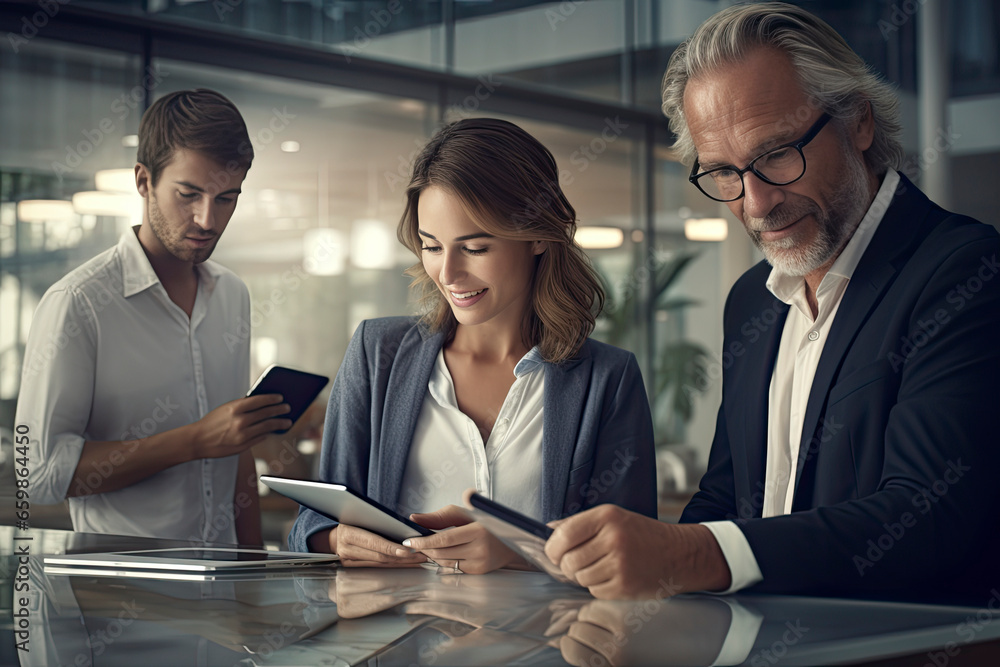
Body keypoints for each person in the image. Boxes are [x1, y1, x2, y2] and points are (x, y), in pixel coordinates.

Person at [545, 2, 1000, 600]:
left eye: (778, 154)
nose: (755, 204)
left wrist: (689, 555)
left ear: (858, 121)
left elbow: (926, 518)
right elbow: (725, 498)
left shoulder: (965, 271)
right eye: (724, 174)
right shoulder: (752, 304)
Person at [288, 118, 656, 573]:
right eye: (432, 246)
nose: (447, 274)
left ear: (539, 235)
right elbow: (313, 519)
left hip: (547, 640)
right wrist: (333, 537)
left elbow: (636, 554)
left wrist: (522, 551)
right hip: (396, 638)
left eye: (475, 248)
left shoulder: (608, 379)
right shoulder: (376, 353)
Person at [17, 89, 293, 544]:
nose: (207, 219)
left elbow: (234, 454)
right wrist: (192, 441)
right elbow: (39, 475)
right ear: (144, 181)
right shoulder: (79, 302)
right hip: (121, 593)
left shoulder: (233, 296)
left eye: (226, 198)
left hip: (225, 593)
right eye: (188, 194)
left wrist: (252, 577)